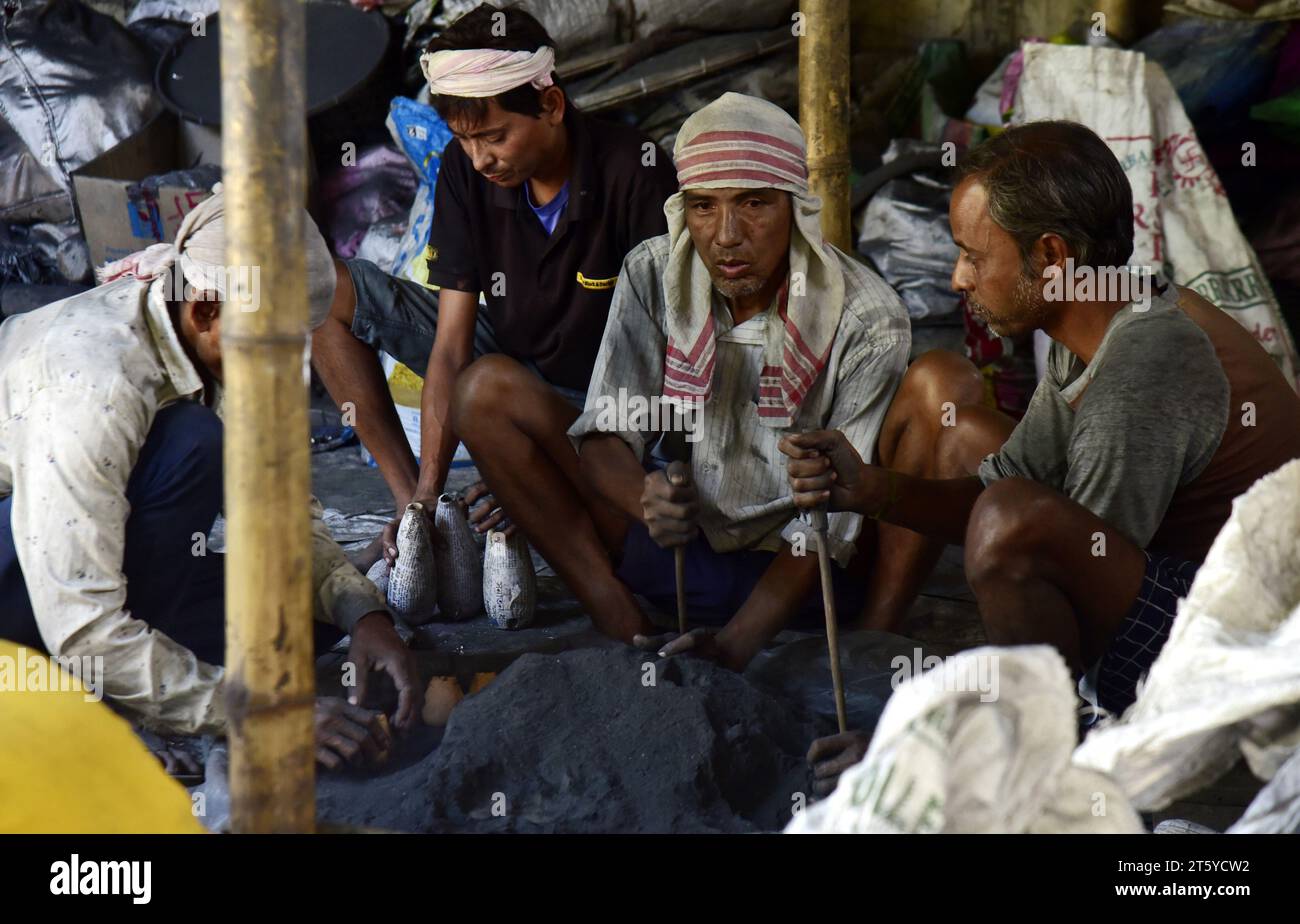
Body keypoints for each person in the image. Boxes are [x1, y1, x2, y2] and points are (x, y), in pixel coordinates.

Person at [787, 120, 1300, 796]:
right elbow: (1004, 492)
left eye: (972, 255)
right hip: (1188, 596)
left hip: (1250, 653)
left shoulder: (1148, 362)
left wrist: (927, 744)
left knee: (1012, 529)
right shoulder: (1093, 321)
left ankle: (1040, 766)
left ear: (1052, 258)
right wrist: (870, 489)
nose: (958, 277)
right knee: (1003, 503)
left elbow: (1048, 565)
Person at [455, 91, 985, 664]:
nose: (727, 234)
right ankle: (626, 627)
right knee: (486, 391)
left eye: (754, 204)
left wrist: (737, 646)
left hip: (815, 579)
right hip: (675, 554)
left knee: (944, 382)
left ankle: (867, 647)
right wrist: (646, 499)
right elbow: (607, 429)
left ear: (795, 208)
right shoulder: (652, 270)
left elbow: (837, 514)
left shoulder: (866, 314)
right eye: (704, 206)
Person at [0, 190, 422, 769]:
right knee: (193, 444)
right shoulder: (90, 381)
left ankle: (140, 682)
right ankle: (94, 702)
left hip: (85, 574)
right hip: (28, 581)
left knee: (299, 618)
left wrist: (363, 612)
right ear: (203, 311)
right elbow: (79, 623)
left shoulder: (216, 340)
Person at [309, 4, 679, 561]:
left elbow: (664, 362)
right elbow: (453, 342)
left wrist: (537, 464)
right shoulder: (465, 170)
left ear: (551, 105)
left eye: (496, 136)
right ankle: (412, 514)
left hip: (605, 399)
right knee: (320, 292)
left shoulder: (635, 172)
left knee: (496, 390)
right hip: (510, 354)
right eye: (465, 140)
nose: (481, 158)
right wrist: (428, 497)